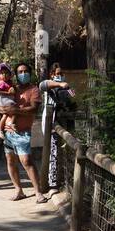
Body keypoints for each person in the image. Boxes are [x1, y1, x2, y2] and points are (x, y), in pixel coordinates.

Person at [0, 62, 54, 203]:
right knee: (10, 160)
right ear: (15, 75)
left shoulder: (34, 90)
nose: (23, 74)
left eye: (25, 71)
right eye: (20, 72)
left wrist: (15, 111)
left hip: (23, 132)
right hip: (8, 131)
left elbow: (34, 108)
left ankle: (38, 192)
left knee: (26, 161)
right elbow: (0, 104)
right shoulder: (11, 88)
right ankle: (18, 190)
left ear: (30, 73)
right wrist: (2, 110)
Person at [37, 62, 73, 192]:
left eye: (61, 74)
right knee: (53, 153)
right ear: (52, 75)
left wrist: (67, 90)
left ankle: (62, 179)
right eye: (57, 74)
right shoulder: (49, 86)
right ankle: (52, 184)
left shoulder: (67, 87)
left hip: (64, 125)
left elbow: (73, 100)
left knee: (63, 153)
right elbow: (42, 85)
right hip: (51, 125)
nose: (60, 76)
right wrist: (59, 84)